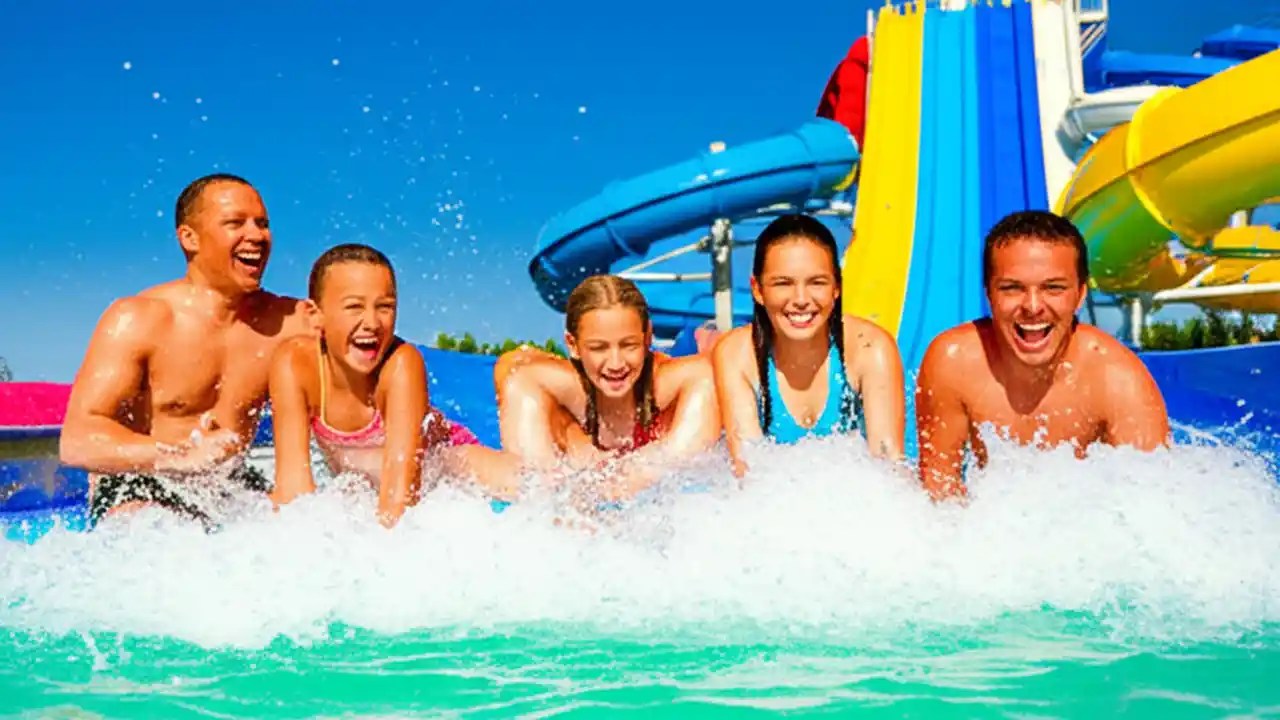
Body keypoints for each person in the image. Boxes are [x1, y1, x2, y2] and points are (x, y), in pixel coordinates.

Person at [60, 173, 313, 530]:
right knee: (147, 529)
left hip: (231, 482)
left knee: (303, 530)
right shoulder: (139, 318)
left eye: (263, 224)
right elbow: (78, 441)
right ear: (189, 238)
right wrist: (181, 456)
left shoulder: (292, 322)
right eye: (235, 223)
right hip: (143, 483)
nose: (256, 235)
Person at [914, 210, 1171, 501]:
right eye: (1012, 288)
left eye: (1053, 288)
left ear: (1080, 293)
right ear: (989, 294)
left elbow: (1151, 517)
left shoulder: (1118, 381)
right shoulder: (954, 362)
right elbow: (938, 501)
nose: (1033, 306)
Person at [267, 243, 520, 527]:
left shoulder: (400, 364)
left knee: (535, 493)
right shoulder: (295, 365)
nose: (372, 322)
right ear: (315, 315)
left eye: (385, 307)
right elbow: (293, 489)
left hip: (449, 464)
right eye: (354, 307)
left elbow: (400, 501)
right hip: (372, 487)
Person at [493, 275, 721, 505]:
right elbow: (513, 367)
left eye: (629, 345)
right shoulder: (559, 385)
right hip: (586, 496)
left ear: (648, 338)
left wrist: (597, 480)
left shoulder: (677, 383)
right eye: (598, 348)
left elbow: (684, 468)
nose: (615, 363)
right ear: (573, 345)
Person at [712, 214, 906, 477]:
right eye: (783, 283)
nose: (801, 300)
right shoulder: (737, 354)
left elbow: (888, 468)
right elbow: (749, 476)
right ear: (757, 290)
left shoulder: (870, 349)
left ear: (836, 287)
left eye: (817, 282)